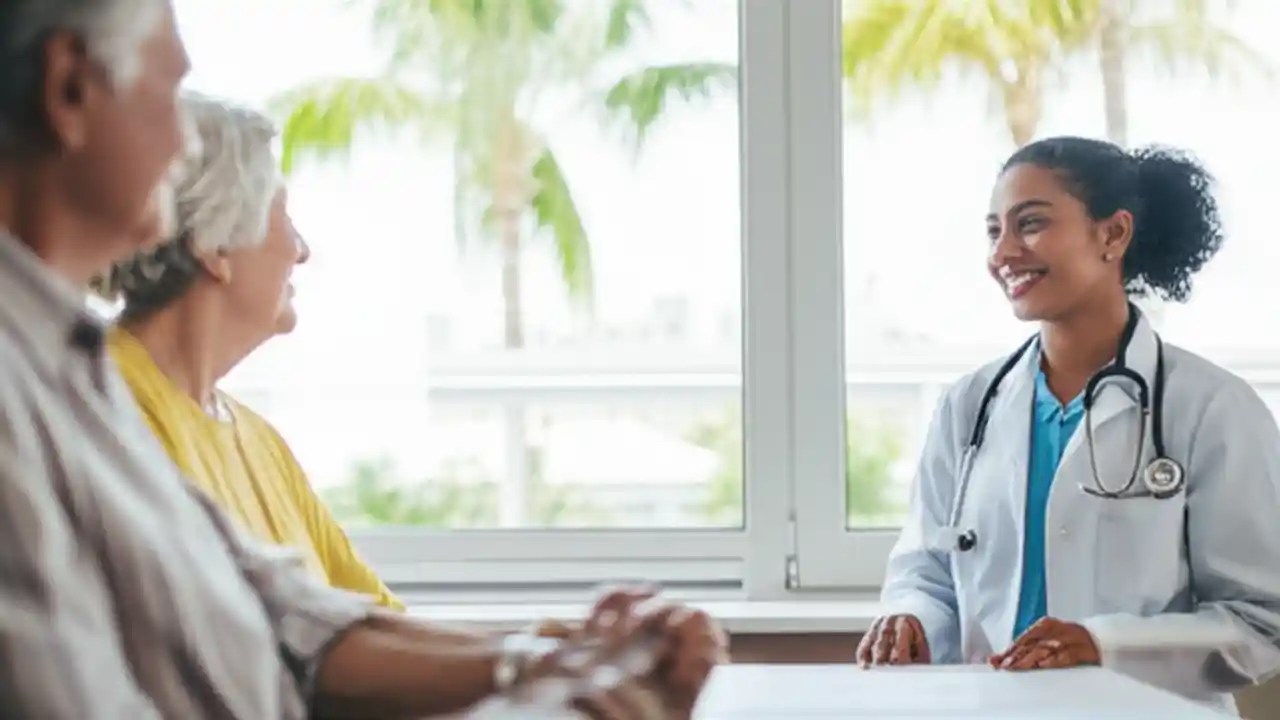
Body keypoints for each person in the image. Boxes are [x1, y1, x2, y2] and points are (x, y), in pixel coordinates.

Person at [0, 1, 725, 717]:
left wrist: (548, 665)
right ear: (69, 87)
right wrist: (558, 692)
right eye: (166, 93)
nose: (183, 144)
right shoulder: (39, 389)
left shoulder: (72, 368)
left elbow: (287, 616)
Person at [857, 136, 1280, 713]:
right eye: (993, 230)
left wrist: (1102, 643)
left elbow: (1261, 619)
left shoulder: (1212, 407)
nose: (1003, 252)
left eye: (1029, 224)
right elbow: (928, 570)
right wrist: (912, 616)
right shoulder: (971, 404)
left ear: (1113, 234)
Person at [94, 92, 400, 609]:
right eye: (282, 213)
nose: (301, 250)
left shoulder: (258, 440)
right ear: (214, 249)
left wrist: (550, 647)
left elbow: (369, 618)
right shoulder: (108, 406)